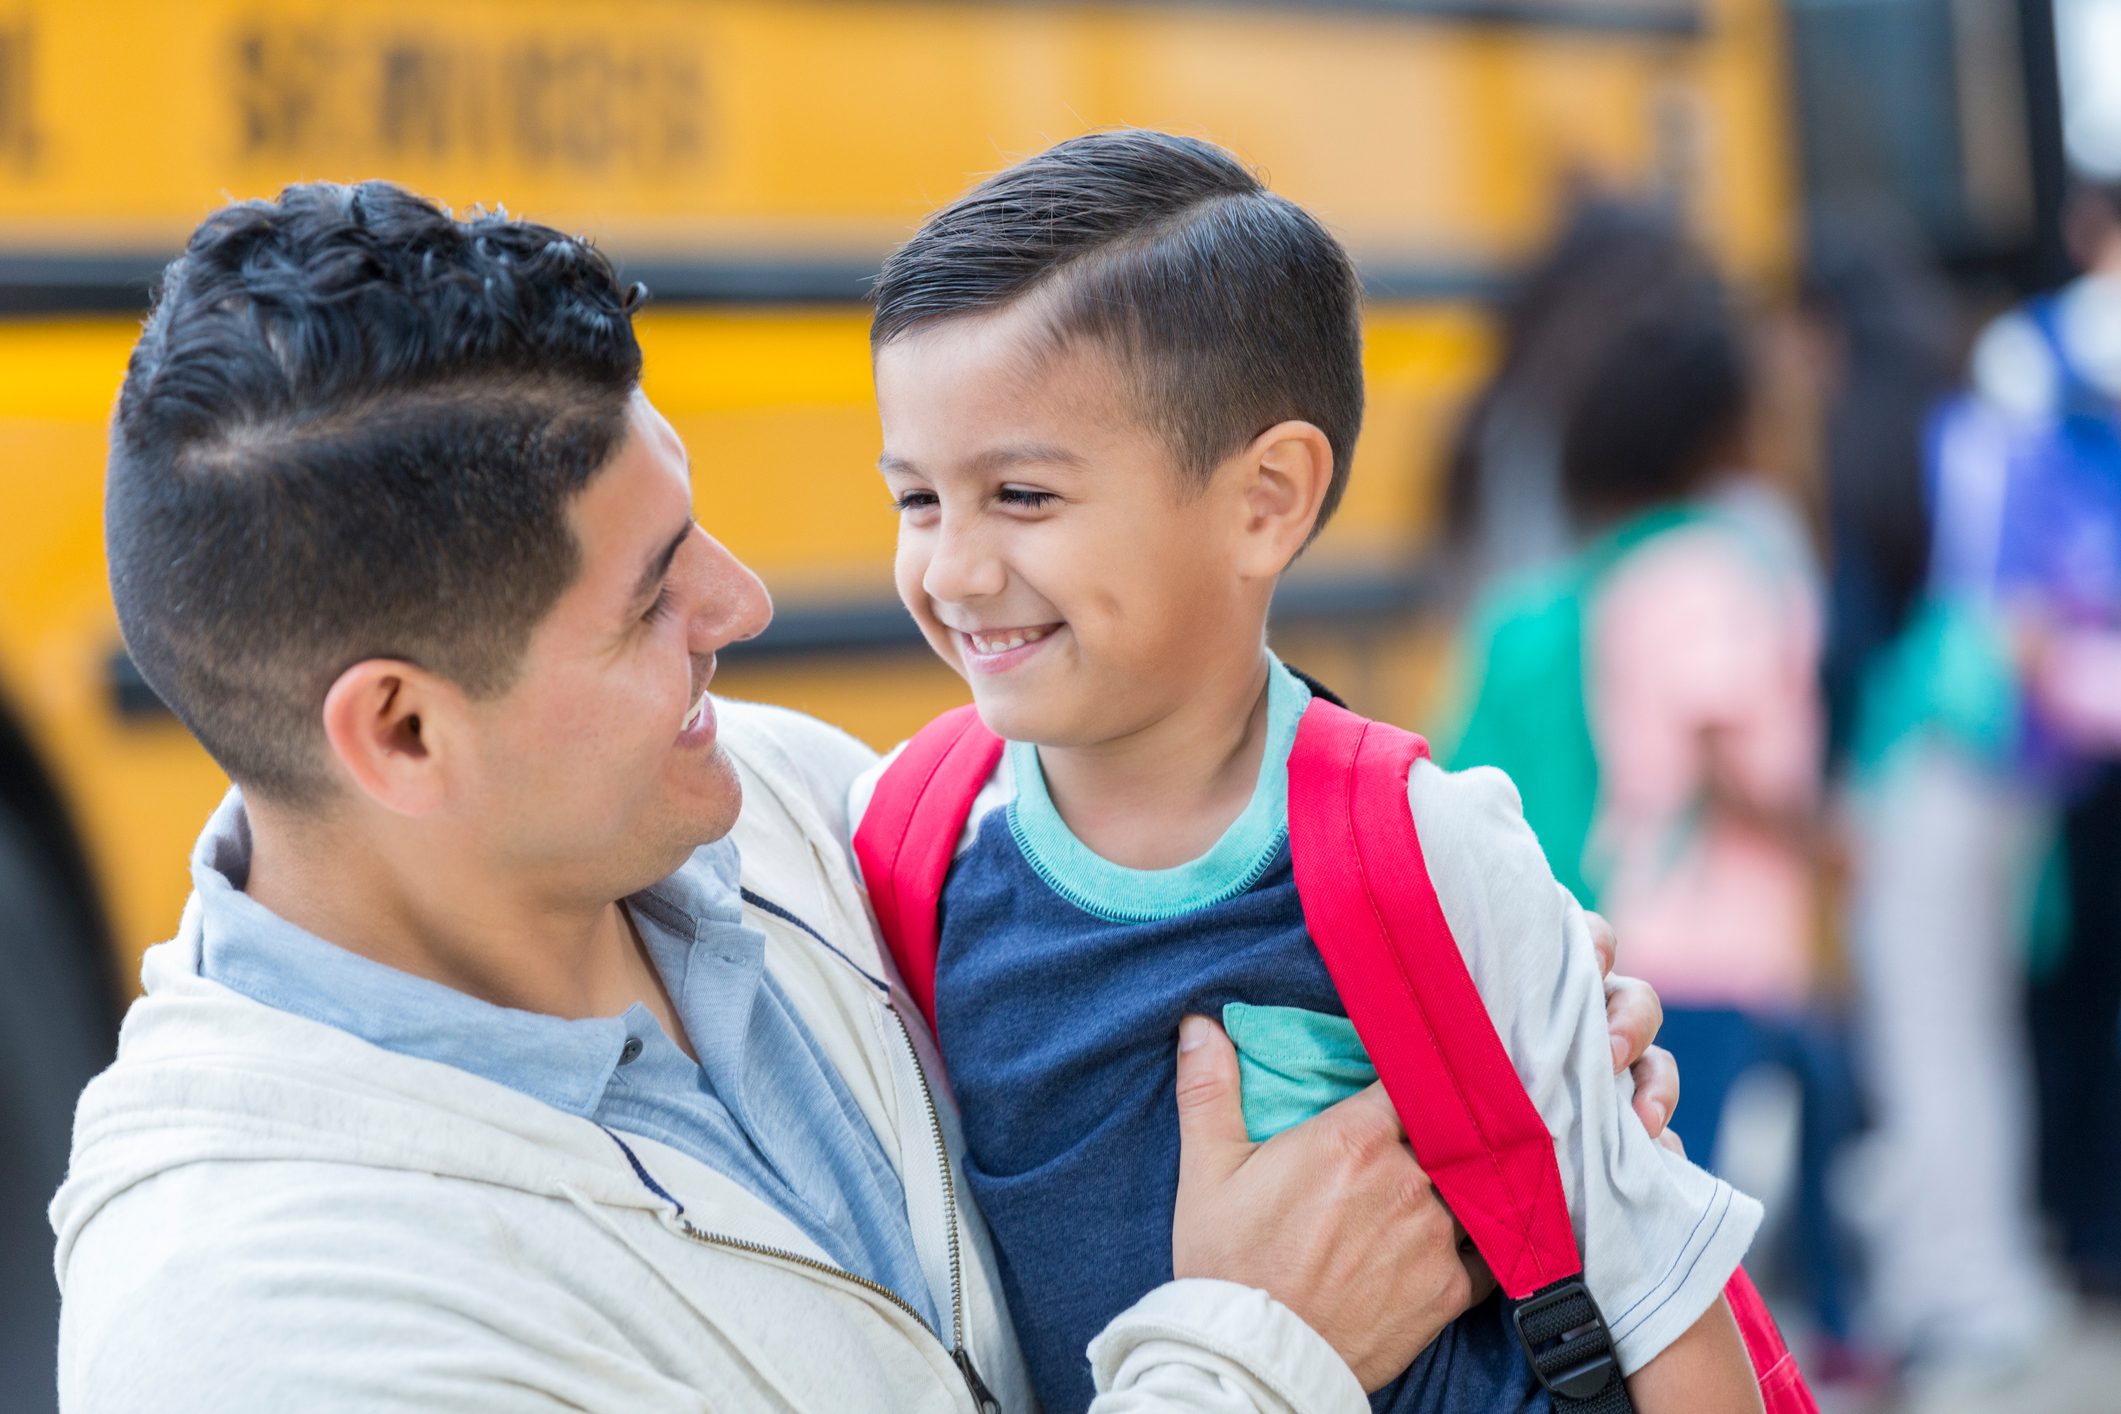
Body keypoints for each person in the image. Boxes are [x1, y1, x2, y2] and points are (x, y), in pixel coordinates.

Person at [49, 179, 1681, 1413]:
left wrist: (1480, 968)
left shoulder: (807, 815)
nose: (745, 605)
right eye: (650, 597)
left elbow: (1210, 847)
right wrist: (1267, 1352)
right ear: (400, 731)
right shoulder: (258, 1327)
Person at [855, 130, 1764, 1414]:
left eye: (1020, 495)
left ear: (1267, 498)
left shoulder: (1425, 849)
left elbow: (1659, 1294)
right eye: (916, 501)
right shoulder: (901, 851)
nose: (951, 570)